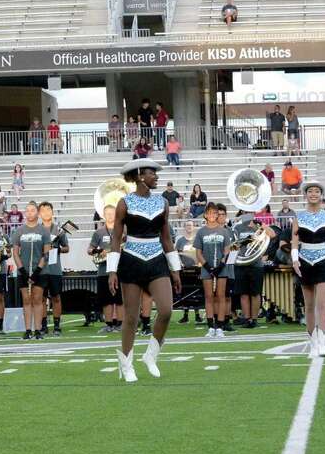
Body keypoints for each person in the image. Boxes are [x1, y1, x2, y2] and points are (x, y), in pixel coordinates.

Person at [106, 159, 182, 381]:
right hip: (131, 259)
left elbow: (167, 239)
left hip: (157, 258)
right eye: (152, 173)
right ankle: (126, 364)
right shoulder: (124, 203)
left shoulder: (163, 203)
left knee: (166, 310)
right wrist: (112, 271)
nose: (156, 177)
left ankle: (151, 355)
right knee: (131, 317)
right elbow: (116, 238)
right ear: (140, 176)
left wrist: (175, 269)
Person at [291, 180, 325, 356]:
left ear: (321, 195)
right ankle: (312, 343)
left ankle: (322, 342)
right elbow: (295, 241)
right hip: (304, 260)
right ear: (305, 195)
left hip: (324, 259)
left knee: (322, 304)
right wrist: (294, 260)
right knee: (309, 305)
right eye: (310, 191)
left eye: (317, 191)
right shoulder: (298, 216)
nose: (313, 194)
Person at [193, 204, 232, 338]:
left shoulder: (224, 231)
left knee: (220, 296)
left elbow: (227, 250)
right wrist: (207, 266)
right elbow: (198, 252)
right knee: (209, 296)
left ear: (217, 215)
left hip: (221, 268)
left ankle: (220, 326)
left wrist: (221, 264)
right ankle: (210, 326)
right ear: (205, 215)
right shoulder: (201, 232)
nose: (212, 215)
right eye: (209, 213)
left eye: (215, 213)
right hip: (206, 268)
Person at [11, 201, 47, 341]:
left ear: (37, 212)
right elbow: (15, 252)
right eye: (28, 210)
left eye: (33, 210)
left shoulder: (43, 230)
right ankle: (27, 329)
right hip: (23, 271)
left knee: (37, 299)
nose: (30, 213)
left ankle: (38, 329)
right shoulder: (19, 231)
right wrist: (23, 271)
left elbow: (46, 253)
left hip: (39, 271)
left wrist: (37, 270)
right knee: (26, 300)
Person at [38, 201, 71, 336]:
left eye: (48, 210)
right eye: (43, 210)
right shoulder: (37, 230)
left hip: (55, 270)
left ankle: (57, 326)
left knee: (56, 298)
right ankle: (43, 325)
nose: (46, 212)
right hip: (40, 269)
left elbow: (67, 248)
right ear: (40, 214)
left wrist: (57, 249)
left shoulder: (58, 230)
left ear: (52, 212)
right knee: (41, 299)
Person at [232, 214, 266, 329]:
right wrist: (248, 239)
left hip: (256, 264)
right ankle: (247, 319)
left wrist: (260, 225)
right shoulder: (237, 228)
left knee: (256, 293)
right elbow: (234, 244)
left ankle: (254, 319)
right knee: (244, 293)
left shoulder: (259, 226)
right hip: (241, 263)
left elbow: (272, 234)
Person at [90, 205, 120, 333]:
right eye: (107, 213)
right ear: (103, 215)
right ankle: (108, 324)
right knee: (106, 299)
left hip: (120, 269)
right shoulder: (98, 233)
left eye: (112, 213)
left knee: (120, 299)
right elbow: (89, 249)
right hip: (103, 270)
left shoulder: (122, 230)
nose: (110, 215)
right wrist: (99, 251)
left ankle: (120, 324)